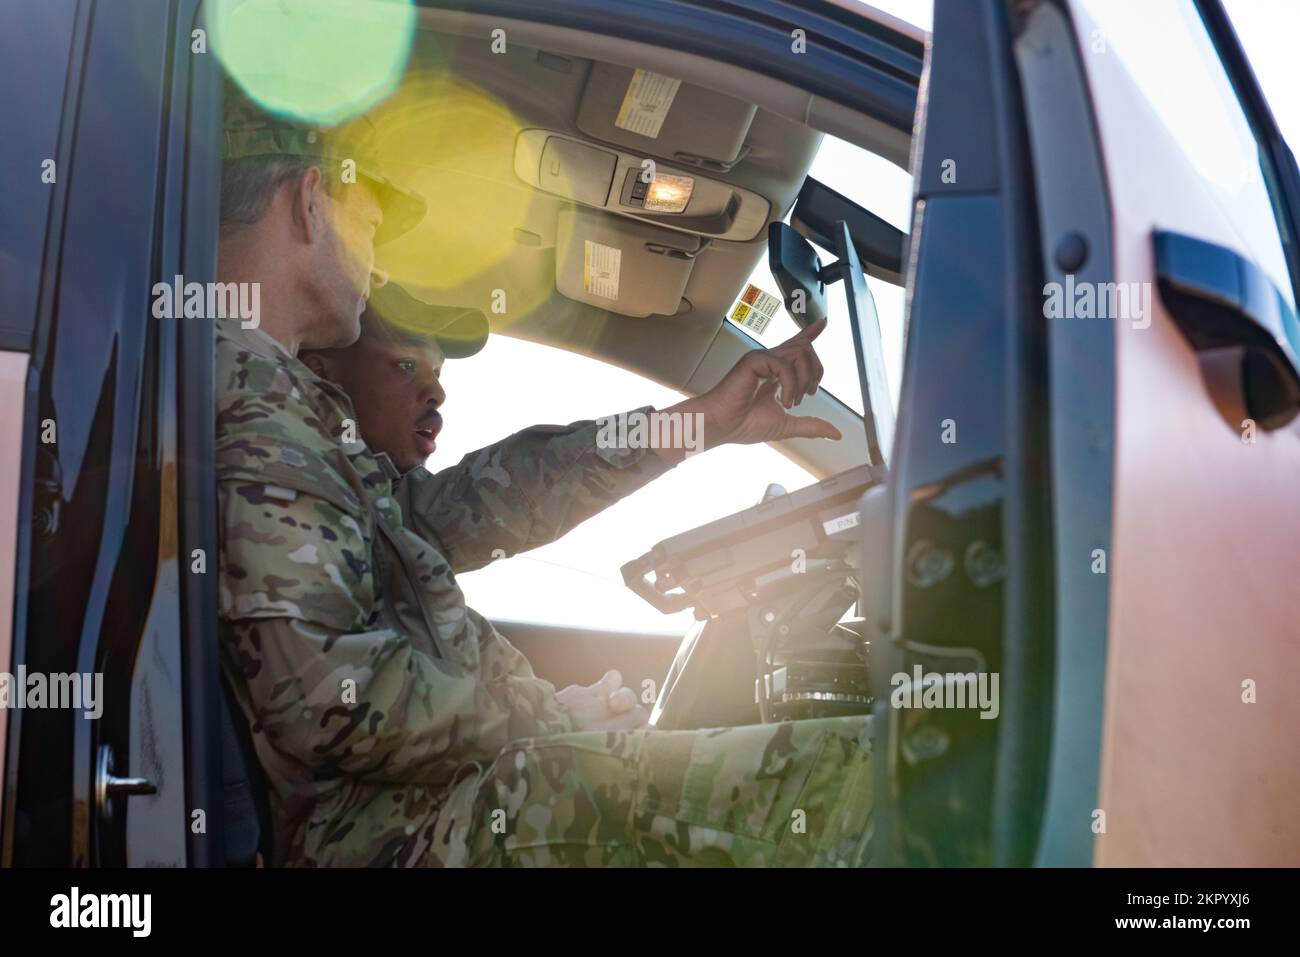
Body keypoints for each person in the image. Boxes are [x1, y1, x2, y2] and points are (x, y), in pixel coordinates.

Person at [216, 85, 874, 866]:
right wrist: (546, 720)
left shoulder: (283, 403)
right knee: (843, 782)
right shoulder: (255, 415)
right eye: (371, 216)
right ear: (311, 203)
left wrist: (694, 424)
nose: (376, 246)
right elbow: (329, 700)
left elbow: (486, 498)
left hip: (432, 808)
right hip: (392, 839)